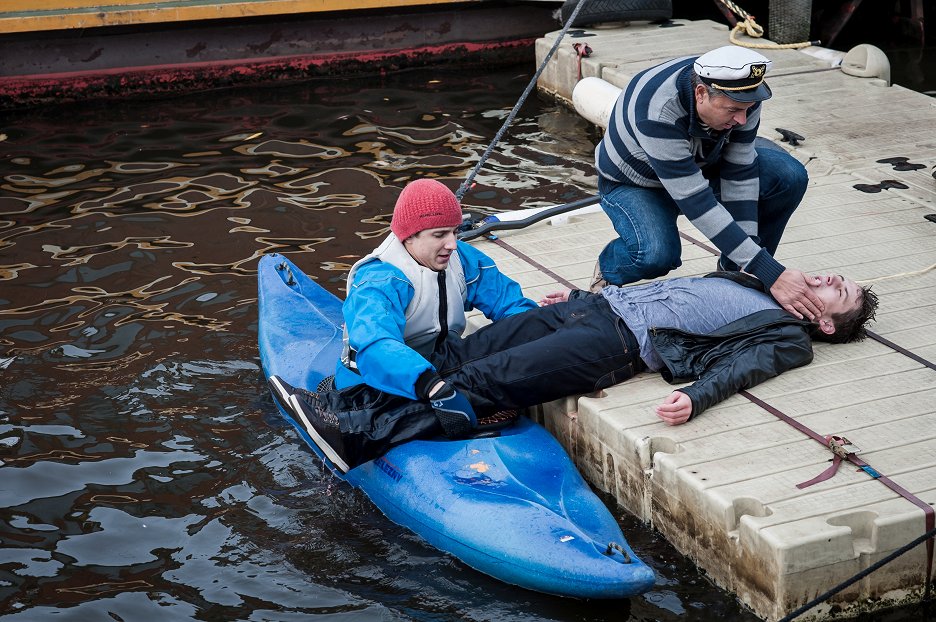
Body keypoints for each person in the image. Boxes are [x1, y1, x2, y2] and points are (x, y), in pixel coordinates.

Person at [269, 270, 878, 473]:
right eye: (832, 275)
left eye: (838, 291)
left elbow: (745, 368)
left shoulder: (786, 336)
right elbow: (678, 291)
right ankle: (349, 401)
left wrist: (696, 397)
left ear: (826, 324)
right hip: (595, 307)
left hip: (614, 345)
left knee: (482, 381)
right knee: (458, 356)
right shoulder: (765, 280)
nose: (826, 279)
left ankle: (357, 435)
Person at [270, 178, 539, 447]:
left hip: (441, 370)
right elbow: (376, 344)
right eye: (439, 234)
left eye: (455, 232)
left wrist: (542, 333)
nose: (453, 244)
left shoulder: (465, 260)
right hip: (373, 384)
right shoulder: (379, 279)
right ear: (409, 236)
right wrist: (428, 385)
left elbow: (512, 305)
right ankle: (350, 425)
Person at [593, 44, 824, 321]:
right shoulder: (656, 111)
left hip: (700, 167)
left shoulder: (741, 93)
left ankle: (735, 278)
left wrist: (749, 260)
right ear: (701, 93)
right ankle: (609, 270)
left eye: (747, 109)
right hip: (635, 183)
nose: (742, 119)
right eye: (733, 111)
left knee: (788, 176)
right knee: (656, 255)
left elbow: (739, 172)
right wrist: (771, 271)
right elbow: (696, 201)